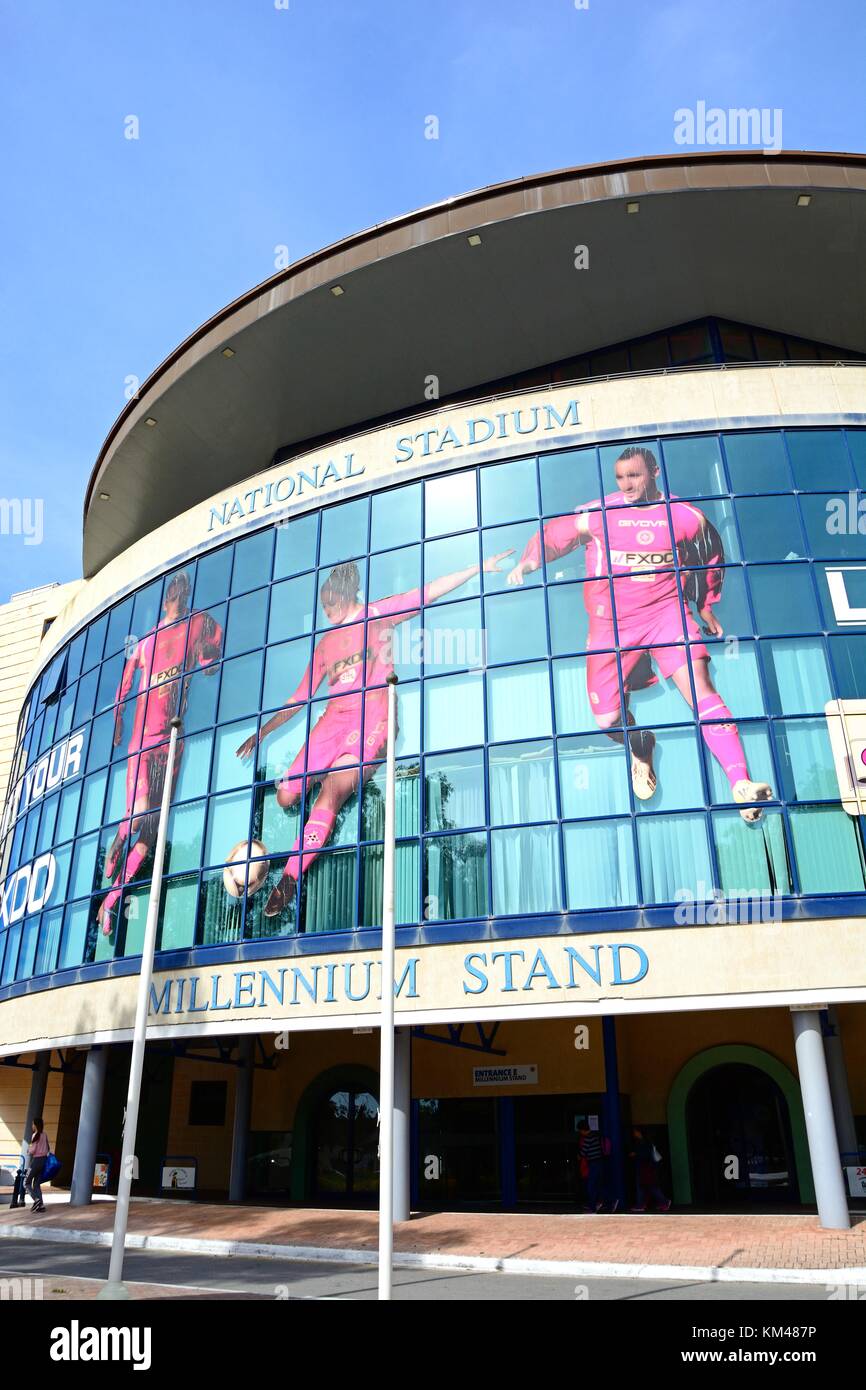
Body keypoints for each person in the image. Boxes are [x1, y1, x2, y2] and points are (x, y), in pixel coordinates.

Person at [238, 549, 513, 917]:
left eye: (328, 602)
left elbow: (426, 592)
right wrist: (264, 731)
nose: (325, 610)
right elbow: (298, 697)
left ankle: (290, 876)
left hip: (371, 718)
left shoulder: (378, 615)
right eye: (321, 605)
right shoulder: (325, 646)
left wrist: (476, 566)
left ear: (346, 594)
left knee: (332, 795)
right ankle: (318, 776)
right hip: (332, 719)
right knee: (286, 798)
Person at [508, 446, 772, 822]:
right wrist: (531, 559)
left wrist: (706, 603)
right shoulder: (598, 514)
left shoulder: (685, 517)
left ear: (654, 473)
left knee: (701, 689)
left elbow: (711, 554)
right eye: (620, 477)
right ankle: (639, 743)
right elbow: (556, 536)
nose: (627, 484)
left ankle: (740, 784)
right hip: (611, 626)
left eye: (634, 475)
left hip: (667, 615)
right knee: (606, 718)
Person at [98, 570, 223, 935]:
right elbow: (123, 685)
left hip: (172, 742)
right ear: (168, 597)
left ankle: (109, 903)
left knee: (150, 836)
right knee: (138, 815)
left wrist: (208, 662)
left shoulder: (198, 621)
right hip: (142, 742)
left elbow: (210, 654)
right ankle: (119, 838)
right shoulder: (148, 640)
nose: (180, 599)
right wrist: (119, 719)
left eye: (183, 593)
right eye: (175, 593)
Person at [629, 1125, 671, 1212]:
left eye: (635, 1131)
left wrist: (636, 1154)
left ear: (639, 1132)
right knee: (647, 1186)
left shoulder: (642, 1143)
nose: (634, 1133)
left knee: (650, 1186)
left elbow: (645, 1155)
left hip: (645, 1167)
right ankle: (642, 1204)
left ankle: (664, 1201)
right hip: (647, 1167)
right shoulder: (646, 1142)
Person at [577, 1118, 607, 1212]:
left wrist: (579, 1156)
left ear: (582, 1130)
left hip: (593, 1163)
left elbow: (583, 1153)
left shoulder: (587, 1138)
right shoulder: (596, 1135)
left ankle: (592, 1207)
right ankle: (603, 1204)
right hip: (600, 1162)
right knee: (599, 1185)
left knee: (591, 1186)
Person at [24, 1116, 50, 1213]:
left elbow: (33, 1149)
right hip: (43, 1161)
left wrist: (28, 1150)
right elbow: (48, 1148)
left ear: (35, 1125)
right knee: (36, 1184)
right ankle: (41, 1206)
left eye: (32, 1124)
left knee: (26, 1182)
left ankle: (36, 1200)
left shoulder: (35, 1135)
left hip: (36, 1161)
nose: (32, 1126)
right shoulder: (44, 1135)